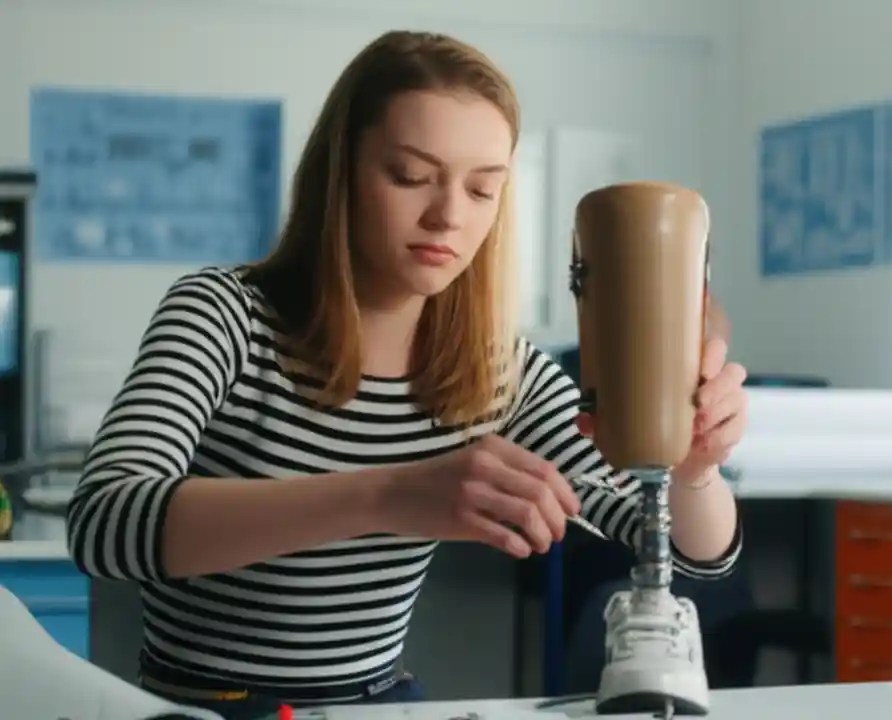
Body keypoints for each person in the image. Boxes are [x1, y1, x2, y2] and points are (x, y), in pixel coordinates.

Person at [65, 30, 747, 718]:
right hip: (208, 705)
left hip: (378, 704)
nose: (449, 215)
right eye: (411, 177)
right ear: (342, 173)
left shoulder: (496, 370)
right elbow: (105, 522)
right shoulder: (225, 315)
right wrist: (388, 495)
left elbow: (687, 557)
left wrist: (693, 472)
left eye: (483, 190)